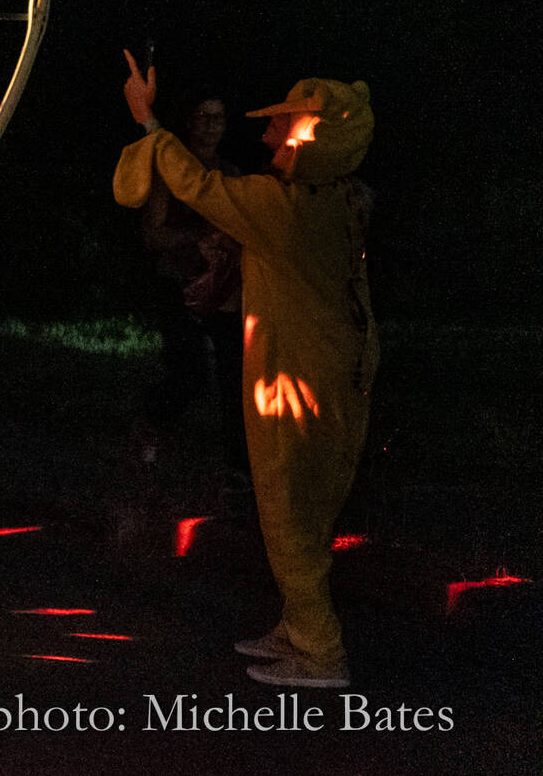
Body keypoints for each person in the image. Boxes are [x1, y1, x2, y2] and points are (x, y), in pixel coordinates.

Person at [116, 54, 376, 689]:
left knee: (288, 509)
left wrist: (147, 119)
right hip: (334, 371)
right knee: (305, 508)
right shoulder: (339, 198)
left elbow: (198, 187)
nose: (267, 136)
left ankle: (320, 652)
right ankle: (299, 625)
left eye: (286, 127)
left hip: (300, 379)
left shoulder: (285, 207)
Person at [136, 90, 247, 475]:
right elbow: (153, 235)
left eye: (218, 117)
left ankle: (240, 465)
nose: (211, 125)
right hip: (178, 282)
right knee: (190, 373)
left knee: (237, 373)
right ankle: (151, 422)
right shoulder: (172, 170)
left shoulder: (230, 174)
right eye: (203, 116)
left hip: (223, 285)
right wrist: (201, 233)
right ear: (189, 121)